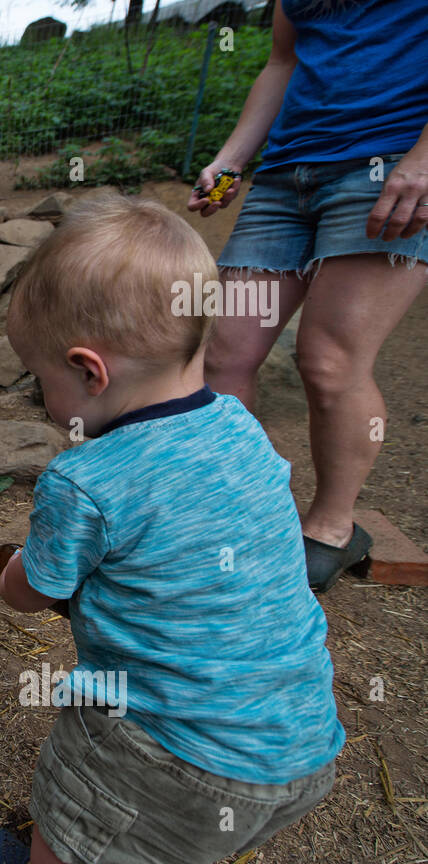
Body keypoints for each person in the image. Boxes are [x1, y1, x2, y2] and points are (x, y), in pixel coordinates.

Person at [0, 196, 343, 864]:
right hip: (297, 744)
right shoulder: (242, 429)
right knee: (177, 844)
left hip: (168, 755)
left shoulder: (85, 477)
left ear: (90, 370)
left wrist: (11, 576)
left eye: (41, 379)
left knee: (88, 813)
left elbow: (32, 589)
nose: (44, 398)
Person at [189, 0, 428, 592]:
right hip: (285, 175)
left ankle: (332, 528)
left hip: (389, 166)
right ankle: (232, 511)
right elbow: (282, 62)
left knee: (328, 361)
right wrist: (231, 158)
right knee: (224, 355)